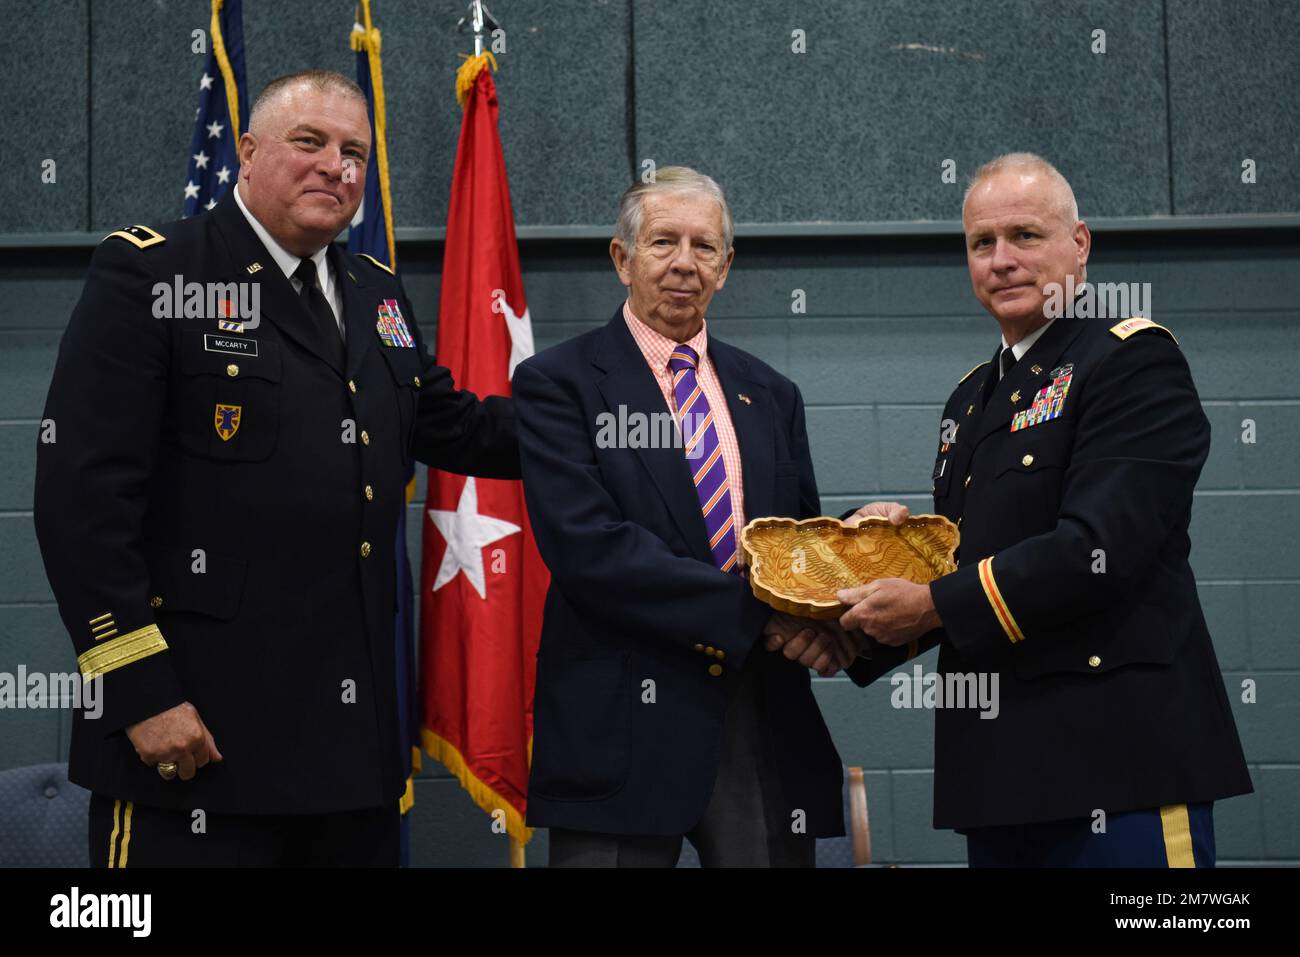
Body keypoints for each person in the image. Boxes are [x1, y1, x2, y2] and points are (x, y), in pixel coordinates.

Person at [33, 70, 518, 867]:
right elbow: (80, 505)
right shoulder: (156, 274)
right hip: (194, 749)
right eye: (311, 142)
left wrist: (611, 405)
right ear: (248, 154)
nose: (338, 166)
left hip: (347, 763)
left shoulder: (374, 294)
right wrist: (142, 693)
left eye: (355, 151)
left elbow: (457, 426)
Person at [785, 152, 1253, 867]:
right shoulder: (971, 399)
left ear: (1080, 243)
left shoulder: (1131, 360)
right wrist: (852, 611)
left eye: (1025, 236)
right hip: (999, 778)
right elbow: (969, 569)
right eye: (982, 242)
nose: (1002, 260)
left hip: (1124, 762)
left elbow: (1096, 551)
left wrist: (929, 600)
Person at [512, 167, 846, 867]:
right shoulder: (558, 385)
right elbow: (590, 551)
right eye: (664, 241)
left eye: (705, 247)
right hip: (620, 728)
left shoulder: (771, 392)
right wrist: (758, 612)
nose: (684, 264)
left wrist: (857, 550)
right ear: (622, 257)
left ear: (726, 267)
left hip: (760, 715)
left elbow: (793, 545)